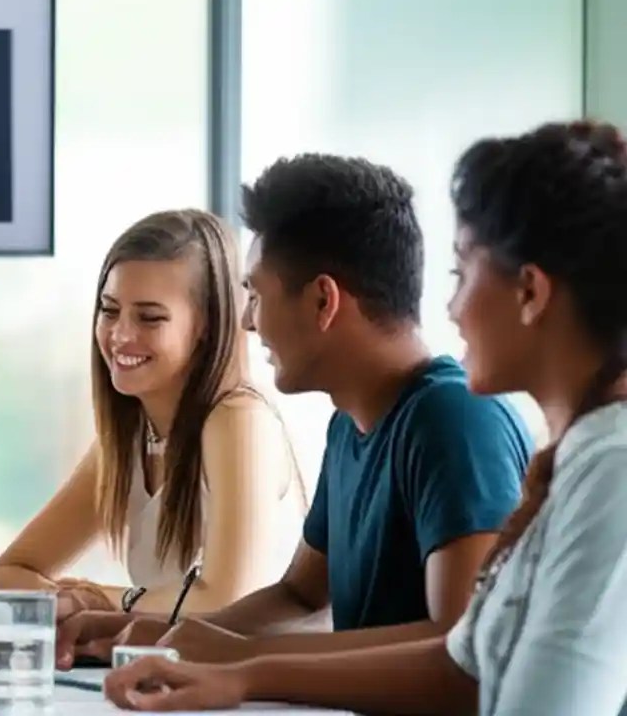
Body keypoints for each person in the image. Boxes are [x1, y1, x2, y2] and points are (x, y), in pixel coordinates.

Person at [101, 121, 627, 715]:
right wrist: (207, 650)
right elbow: (458, 653)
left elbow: (458, 662)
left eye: (460, 275)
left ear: (530, 293)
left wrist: (242, 666)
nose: (450, 308)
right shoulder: (579, 458)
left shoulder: (572, 457)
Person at [56, 153, 532, 668]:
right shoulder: (350, 424)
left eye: (257, 295)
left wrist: (248, 666)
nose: (247, 323)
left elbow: (461, 647)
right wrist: (153, 634)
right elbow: (299, 597)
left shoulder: (454, 418)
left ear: (323, 301)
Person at [0, 209, 307, 619]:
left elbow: (227, 603)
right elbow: (4, 579)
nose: (120, 335)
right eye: (110, 310)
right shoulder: (129, 440)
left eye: (150, 318)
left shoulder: (240, 419)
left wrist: (98, 598)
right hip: (179, 674)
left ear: (207, 324)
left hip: (267, 680)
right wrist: (84, 601)